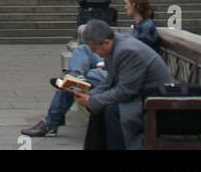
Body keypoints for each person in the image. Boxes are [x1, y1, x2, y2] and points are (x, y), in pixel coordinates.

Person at [75, 20, 174, 150]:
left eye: (94, 49)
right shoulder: (114, 46)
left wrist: (92, 101)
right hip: (141, 96)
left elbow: (125, 92)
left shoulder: (127, 51)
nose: (94, 53)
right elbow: (109, 81)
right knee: (99, 107)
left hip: (155, 102)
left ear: (105, 42)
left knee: (110, 110)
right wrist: (90, 95)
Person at [19, 25, 107, 137]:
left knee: (69, 83)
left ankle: (50, 124)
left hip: (113, 72)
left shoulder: (129, 44)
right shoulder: (134, 28)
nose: (125, 6)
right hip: (107, 63)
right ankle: (75, 75)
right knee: (83, 49)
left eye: (127, 5)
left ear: (134, 6)